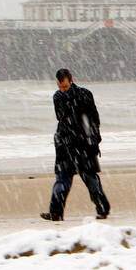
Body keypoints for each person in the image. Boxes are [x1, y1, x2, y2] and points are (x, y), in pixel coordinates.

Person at [41, 69, 110, 221]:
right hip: (65, 144)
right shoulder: (57, 97)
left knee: (90, 178)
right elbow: (61, 118)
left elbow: (93, 118)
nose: (62, 89)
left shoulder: (85, 94)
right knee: (62, 179)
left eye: (65, 86)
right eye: (60, 86)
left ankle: (102, 208)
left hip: (84, 144)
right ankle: (56, 213)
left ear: (71, 80)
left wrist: (94, 139)